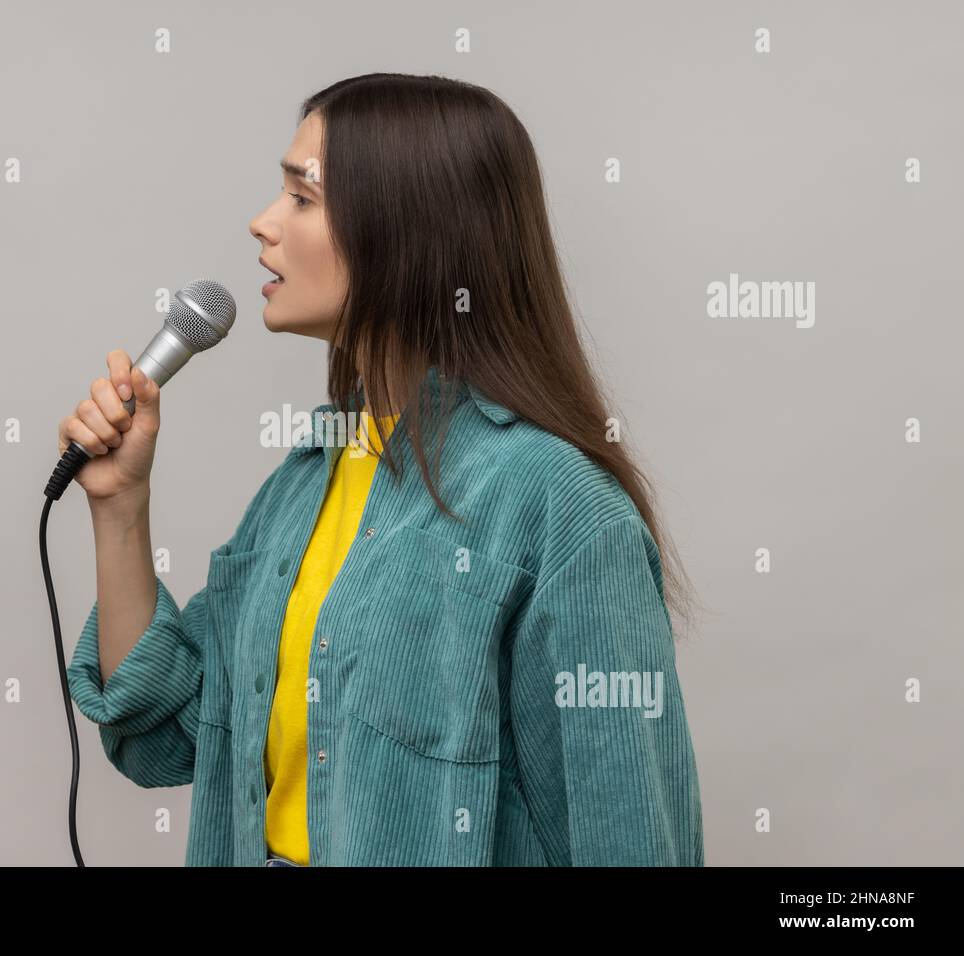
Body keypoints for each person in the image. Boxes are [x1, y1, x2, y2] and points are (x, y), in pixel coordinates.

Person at [62, 73, 704, 867]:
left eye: (303, 197)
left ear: (409, 229)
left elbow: (628, 839)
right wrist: (121, 506)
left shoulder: (559, 509)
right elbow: (166, 733)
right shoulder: (309, 479)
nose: (262, 223)